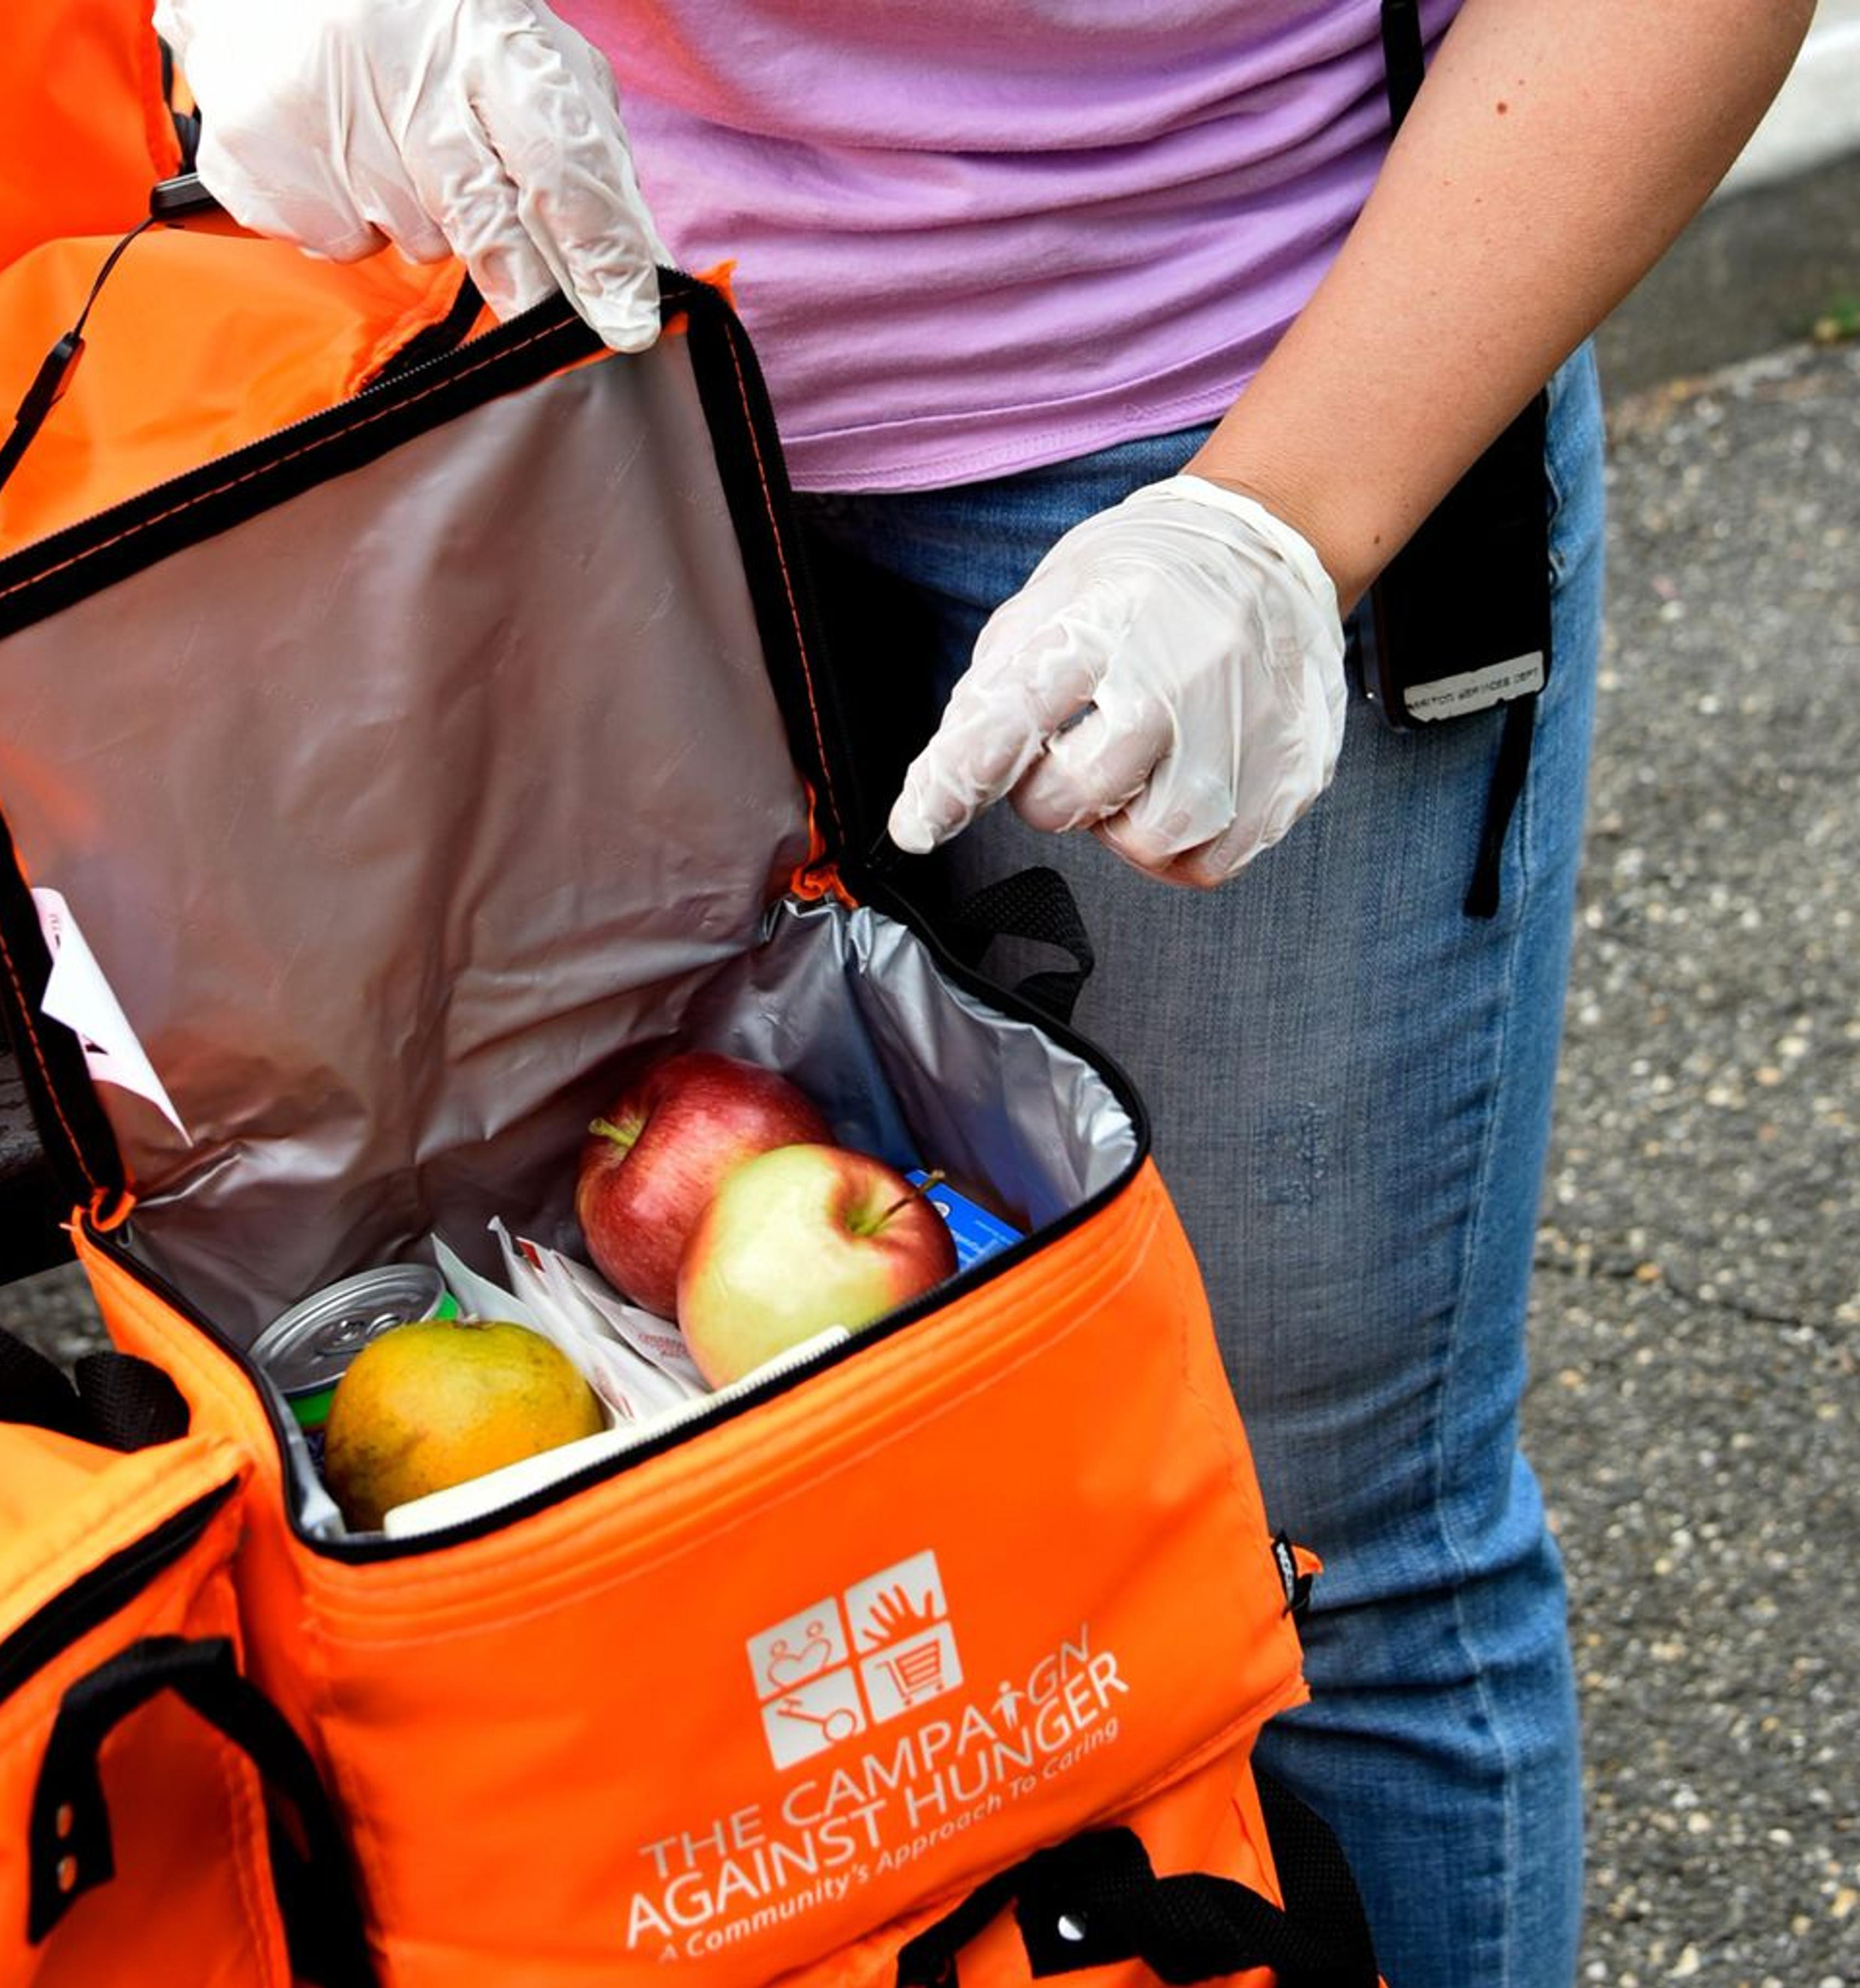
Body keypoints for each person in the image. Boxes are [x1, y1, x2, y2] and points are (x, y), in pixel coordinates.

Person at [151, 4, 1814, 1983]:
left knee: (1317, 1560)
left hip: (1212, 399)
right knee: (694, 1566)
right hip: (557, 407)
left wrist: (1274, 531)